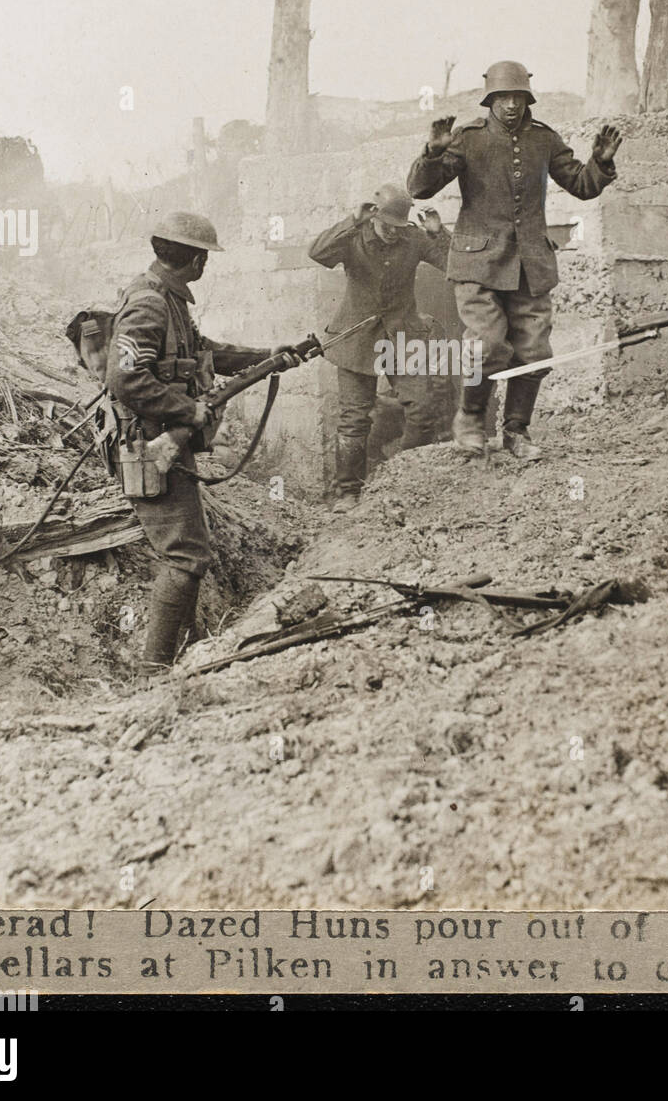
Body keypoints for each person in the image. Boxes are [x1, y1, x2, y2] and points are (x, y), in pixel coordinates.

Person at [106, 211, 299, 672]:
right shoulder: (150, 304)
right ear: (191, 258)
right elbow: (124, 378)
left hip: (166, 445)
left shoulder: (170, 301)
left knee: (190, 553)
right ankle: (155, 671)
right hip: (151, 447)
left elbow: (204, 352)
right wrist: (187, 411)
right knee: (187, 556)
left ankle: (186, 656)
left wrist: (266, 358)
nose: (205, 265)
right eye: (203, 257)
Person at [408, 60, 621, 459]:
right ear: (490, 100)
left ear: (528, 100)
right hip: (478, 266)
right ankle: (470, 418)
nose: (511, 106)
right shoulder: (467, 138)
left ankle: (517, 431)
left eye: (518, 98)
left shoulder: (544, 139)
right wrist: (432, 154)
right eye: (503, 98)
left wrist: (600, 162)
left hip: (531, 265)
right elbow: (420, 189)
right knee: (487, 346)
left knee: (534, 352)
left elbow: (581, 184)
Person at [309, 183, 451, 510]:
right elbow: (316, 252)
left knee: (422, 406)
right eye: (386, 225)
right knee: (354, 418)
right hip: (358, 340)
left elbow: (453, 264)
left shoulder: (413, 238)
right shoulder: (353, 237)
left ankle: (407, 482)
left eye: (397, 226)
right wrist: (351, 220)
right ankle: (348, 492)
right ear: (374, 215)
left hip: (403, 337)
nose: (391, 233)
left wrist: (438, 232)